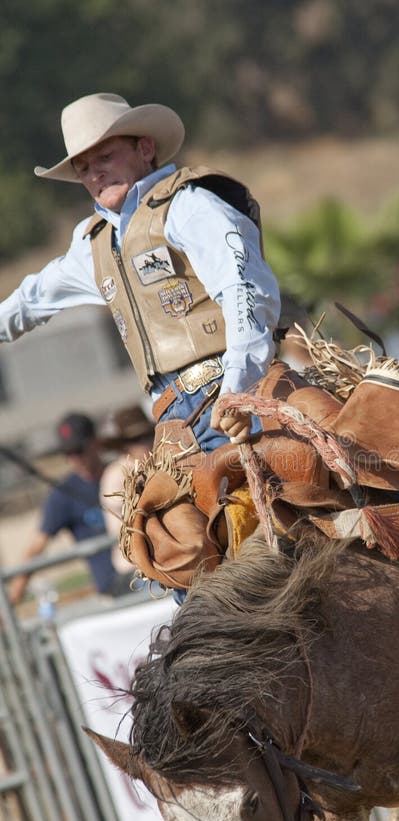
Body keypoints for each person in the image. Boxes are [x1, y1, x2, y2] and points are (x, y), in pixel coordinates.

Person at [0, 92, 280, 455]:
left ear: (145, 149)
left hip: (232, 395)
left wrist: (237, 389)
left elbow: (246, 290)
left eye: (105, 156)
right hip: (170, 422)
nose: (95, 173)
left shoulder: (188, 206)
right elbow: (30, 300)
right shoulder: (93, 244)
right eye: (83, 168)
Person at [9, 412, 129, 605]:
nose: (74, 459)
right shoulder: (63, 495)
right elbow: (36, 548)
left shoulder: (123, 473)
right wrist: (11, 602)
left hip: (148, 574)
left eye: (79, 450)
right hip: (114, 589)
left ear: (95, 442)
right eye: (68, 453)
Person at [97, 404, 154, 576]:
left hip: (163, 559)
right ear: (124, 445)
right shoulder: (117, 474)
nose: (144, 443)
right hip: (135, 568)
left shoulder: (158, 464)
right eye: (135, 440)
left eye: (147, 435)